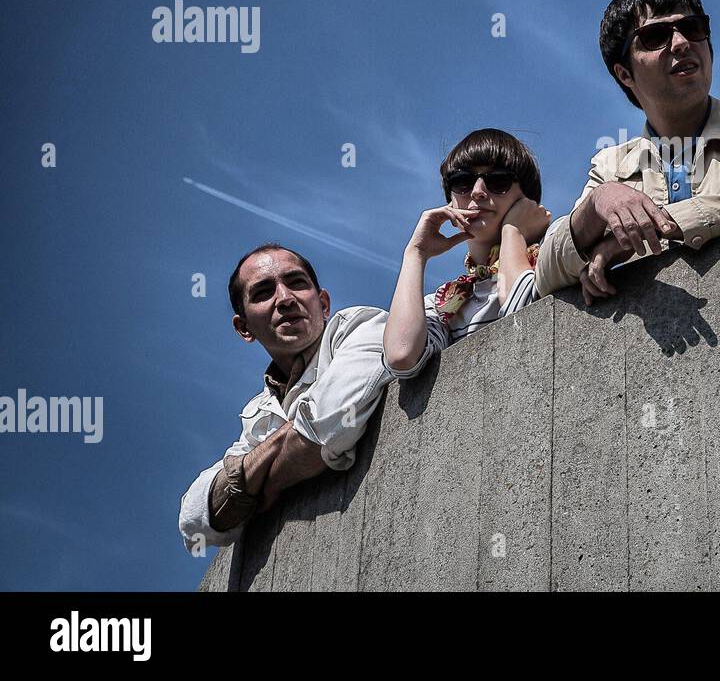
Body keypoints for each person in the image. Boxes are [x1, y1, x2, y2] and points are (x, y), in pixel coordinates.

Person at [534, 0, 720, 304]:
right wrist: (598, 203)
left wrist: (656, 226)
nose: (681, 43)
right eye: (655, 36)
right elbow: (546, 274)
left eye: (693, 28)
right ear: (624, 73)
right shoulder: (611, 165)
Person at [178, 244, 407, 553]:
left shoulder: (360, 327)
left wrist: (264, 480)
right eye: (263, 292)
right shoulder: (256, 414)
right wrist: (285, 441)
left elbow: (328, 426)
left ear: (323, 303)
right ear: (244, 327)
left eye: (297, 282)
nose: (285, 299)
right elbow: (195, 523)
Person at [381, 129, 551, 374]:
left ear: (528, 198)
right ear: (450, 201)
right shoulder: (448, 301)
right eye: (462, 182)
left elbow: (526, 321)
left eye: (498, 181)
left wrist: (513, 231)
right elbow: (402, 356)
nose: (477, 191)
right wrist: (415, 254)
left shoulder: (552, 250)